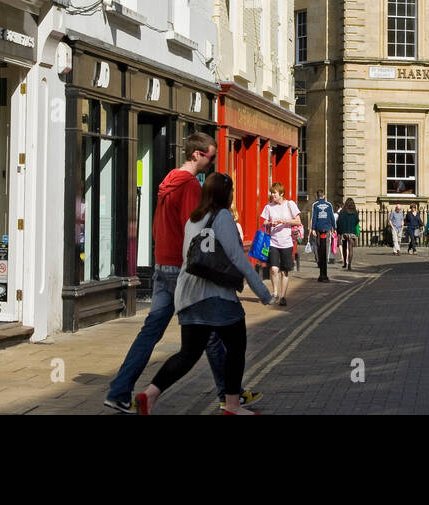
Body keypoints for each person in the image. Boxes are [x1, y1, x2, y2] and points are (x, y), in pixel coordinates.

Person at [105, 133, 259, 413]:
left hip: (162, 265)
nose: (212, 164)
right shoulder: (189, 186)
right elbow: (198, 232)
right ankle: (229, 396)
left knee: (152, 331)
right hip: (181, 268)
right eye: (211, 157)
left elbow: (156, 226)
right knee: (209, 332)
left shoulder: (167, 181)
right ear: (196, 154)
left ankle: (119, 391)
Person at [134, 173, 275, 415]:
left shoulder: (193, 220)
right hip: (216, 296)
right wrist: (262, 291)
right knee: (237, 346)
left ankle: (149, 395)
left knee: (188, 354)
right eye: (231, 191)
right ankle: (232, 405)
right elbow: (236, 256)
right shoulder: (223, 217)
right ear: (225, 193)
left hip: (188, 295)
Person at [262, 186, 300, 306]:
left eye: (275, 193)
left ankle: (283, 296)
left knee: (284, 272)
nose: (273, 195)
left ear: (282, 193)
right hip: (273, 242)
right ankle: (275, 293)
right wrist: (270, 223)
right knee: (273, 269)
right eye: (272, 193)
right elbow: (264, 223)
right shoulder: (269, 207)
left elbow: (298, 221)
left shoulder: (290, 204)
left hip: (287, 242)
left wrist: (285, 221)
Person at [309, 189, 338, 282]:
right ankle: (324, 271)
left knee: (319, 247)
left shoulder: (315, 205)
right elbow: (331, 217)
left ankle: (322, 271)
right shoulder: (329, 205)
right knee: (326, 248)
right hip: (327, 229)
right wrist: (334, 228)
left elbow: (314, 217)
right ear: (324, 196)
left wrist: (313, 229)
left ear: (317, 196)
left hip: (318, 229)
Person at [337, 198, 359, 269]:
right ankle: (349, 264)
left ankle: (345, 264)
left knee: (344, 248)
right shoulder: (355, 212)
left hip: (344, 232)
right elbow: (357, 221)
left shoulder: (342, 212)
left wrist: (339, 232)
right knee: (350, 249)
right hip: (352, 232)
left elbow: (339, 222)